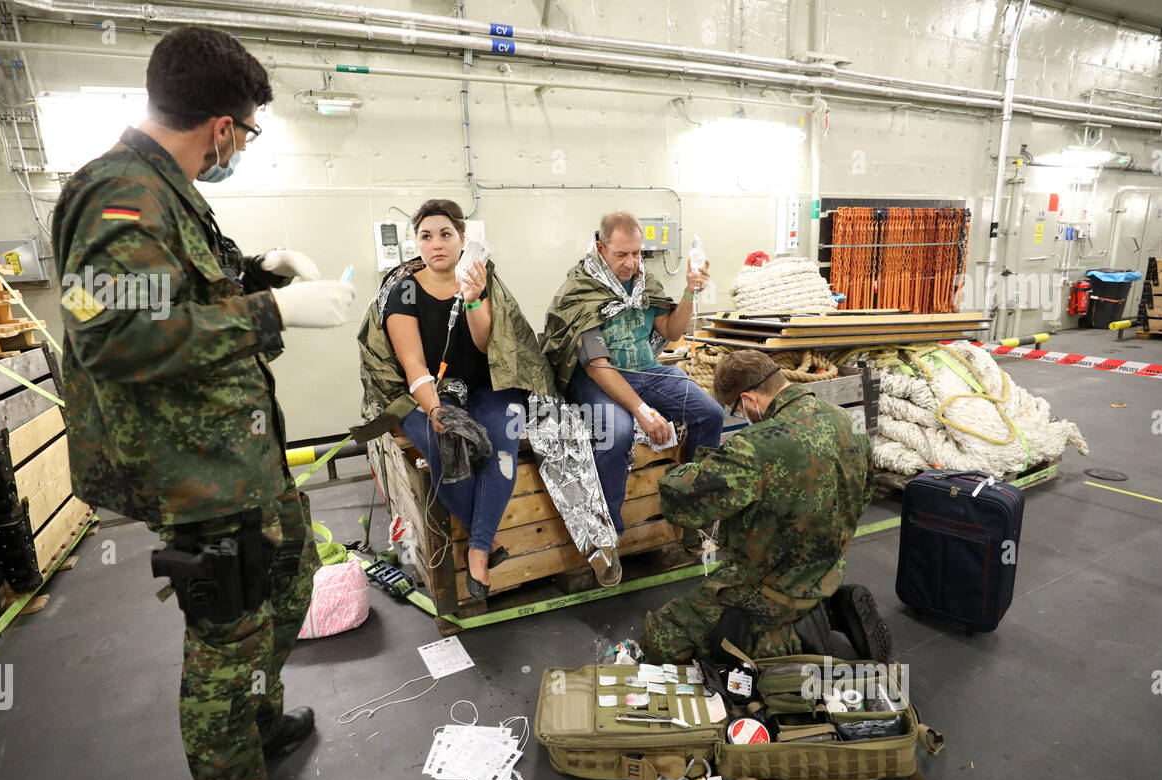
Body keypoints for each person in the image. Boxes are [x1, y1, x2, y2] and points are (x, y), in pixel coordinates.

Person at [51, 25, 357, 780]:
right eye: (248, 130)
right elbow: (114, 335)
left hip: (237, 457)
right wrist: (273, 312)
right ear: (223, 124)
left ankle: (255, 725)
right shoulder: (120, 194)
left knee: (288, 579)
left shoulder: (167, 190)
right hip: (193, 470)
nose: (242, 146)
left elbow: (184, 291)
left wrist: (259, 272)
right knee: (227, 633)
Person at [355, 199, 555, 600]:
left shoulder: (480, 280)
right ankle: (490, 543)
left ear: (463, 239)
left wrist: (474, 298)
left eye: (446, 234)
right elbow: (411, 363)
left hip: (486, 385)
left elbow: (487, 347)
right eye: (426, 236)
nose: (436, 244)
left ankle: (478, 549)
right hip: (425, 391)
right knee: (440, 444)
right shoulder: (403, 293)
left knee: (503, 442)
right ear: (418, 243)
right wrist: (436, 410)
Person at [640, 349, 888, 665]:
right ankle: (826, 606)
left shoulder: (755, 446)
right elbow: (865, 493)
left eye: (737, 410)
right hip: (825, 569)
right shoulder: (845, 421)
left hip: (768, 588)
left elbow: (683, 505)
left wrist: (687, 468)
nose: (741, 416)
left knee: (660, 636)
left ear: (750, 400)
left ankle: (790, 639)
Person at [542, 211, 723, 581]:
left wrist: (690, 290)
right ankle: (607, 539)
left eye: (637, 254)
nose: (631, 264)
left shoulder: (644, 283)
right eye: (622, 254)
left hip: (645, 370)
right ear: (600, 247)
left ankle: (695, 514)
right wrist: (642, 411)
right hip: (598, 379)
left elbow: (672, 330)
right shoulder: (580, 291)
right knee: (617, 432)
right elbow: (597, 365)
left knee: (710, 413)